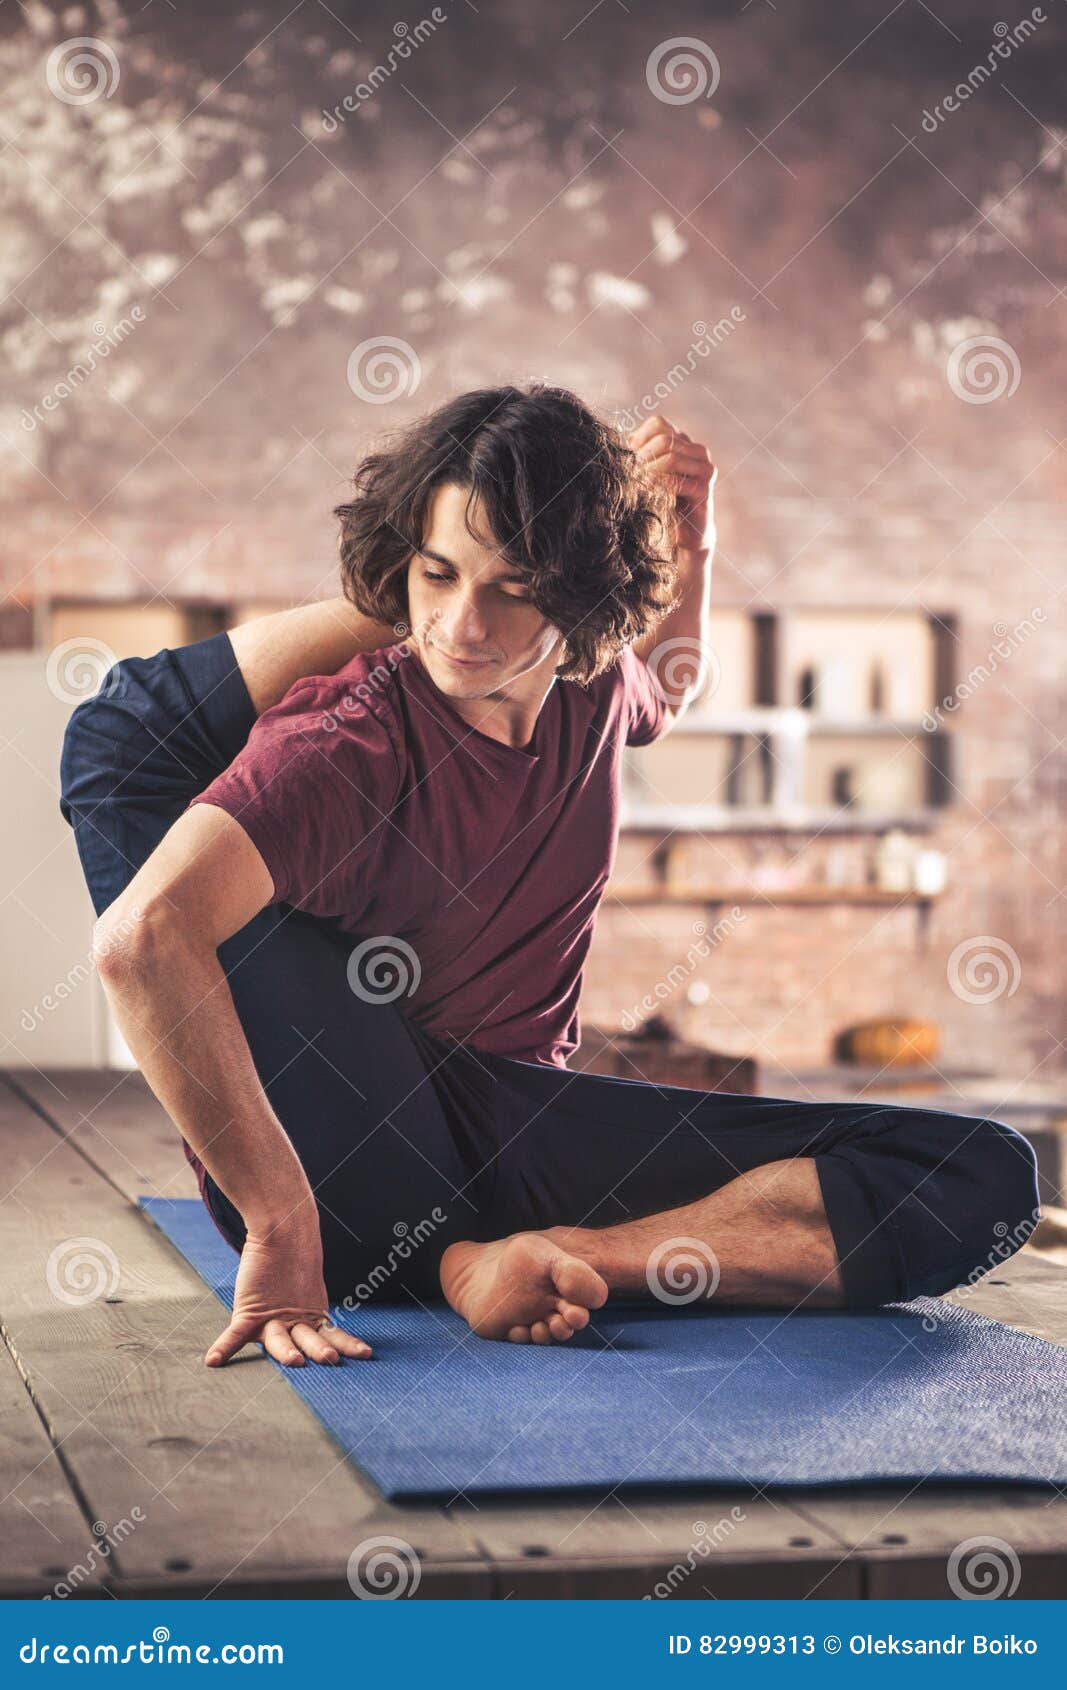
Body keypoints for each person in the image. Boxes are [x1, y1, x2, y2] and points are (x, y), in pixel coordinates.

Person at [60, 383, 1039, 1372]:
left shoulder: (598, 687)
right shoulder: (346, 742)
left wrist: (689, 553)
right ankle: (442, 1254)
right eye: (436, 574)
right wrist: (275, 1223)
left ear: (576, 600)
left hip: (521, 1146)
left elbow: (665, 685)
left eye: (511, 587)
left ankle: (541, 1262)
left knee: (978, 1177)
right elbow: (142, 939)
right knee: (118, 745)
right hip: (349, 1174)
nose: (462, 626)